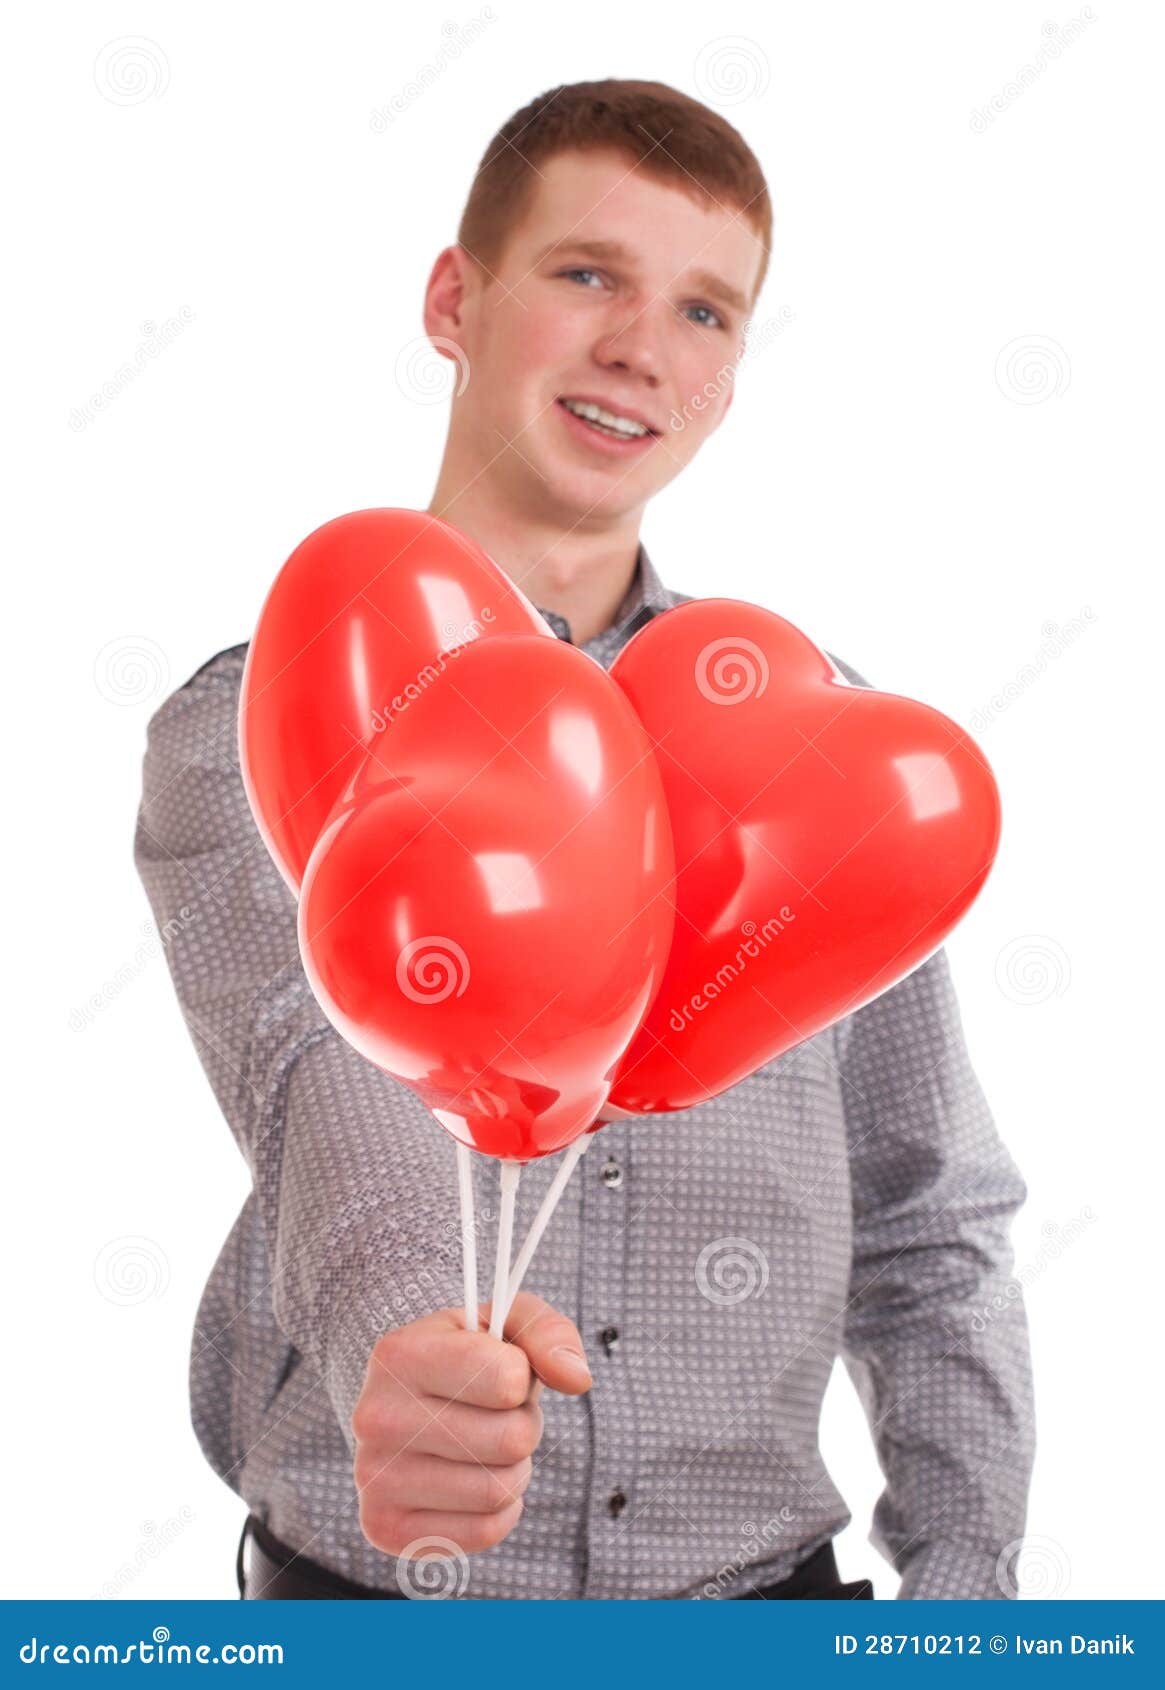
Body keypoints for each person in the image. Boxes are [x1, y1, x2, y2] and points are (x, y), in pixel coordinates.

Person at [133, 79, 1034, 1602]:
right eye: (586, 275)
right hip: (376, 1614)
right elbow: (322, 1091)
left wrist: (968, 1587)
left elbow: (925, 1210)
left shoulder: (824, 758)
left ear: (732, 375)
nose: (639, 347)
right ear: (452, 298)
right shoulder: (261, 713)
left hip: (764, 1610)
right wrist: (412, 1341)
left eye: (704, 312)